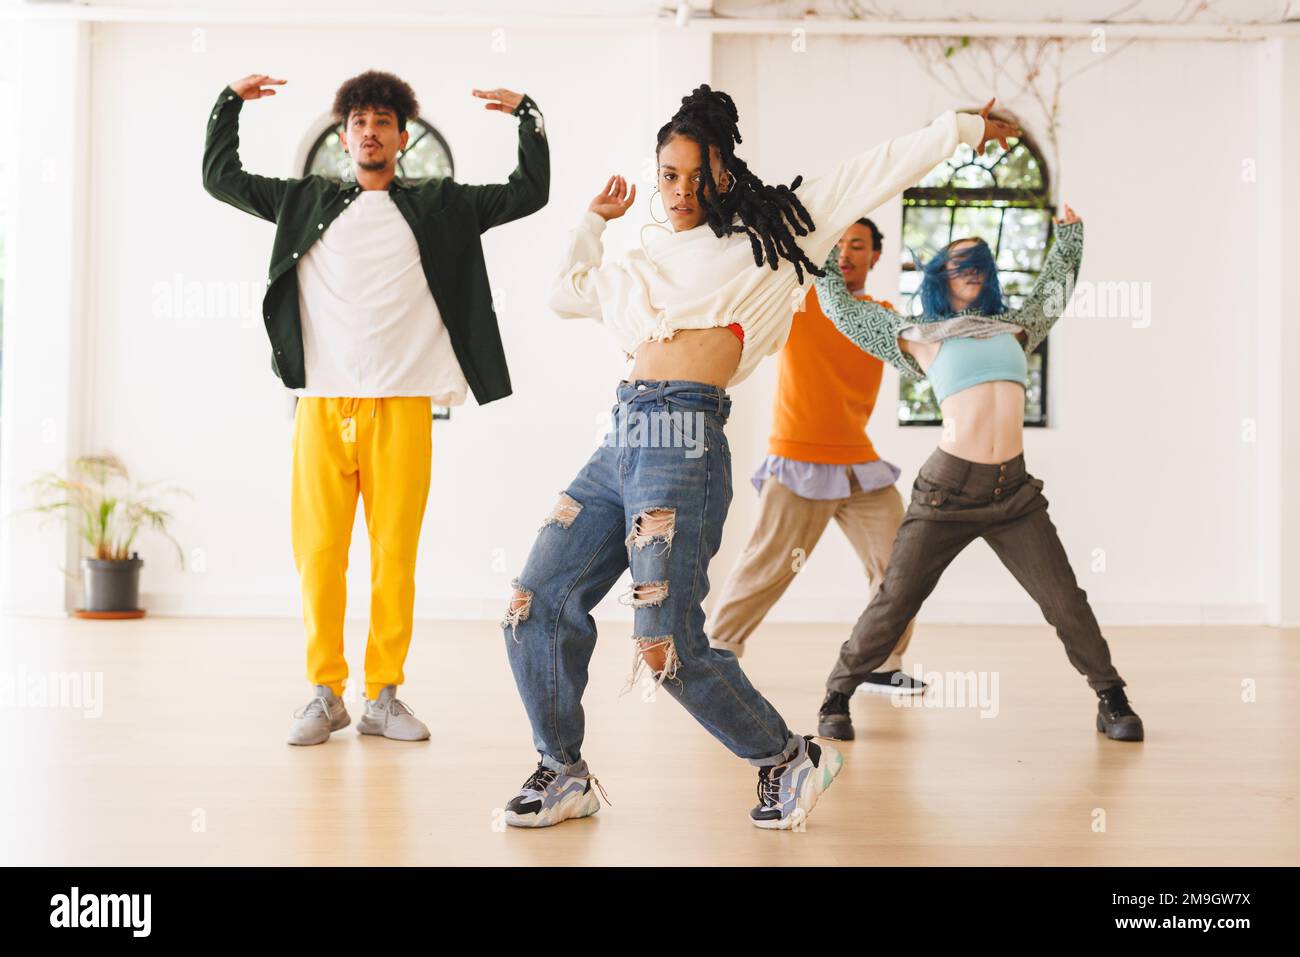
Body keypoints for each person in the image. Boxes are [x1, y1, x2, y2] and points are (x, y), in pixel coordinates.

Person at [500, 86, 1017, 829]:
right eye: (667, 175)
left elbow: (873, 169)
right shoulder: (641, 262)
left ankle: (786, 757)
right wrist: (592, 221)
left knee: (665, 643)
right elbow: (562, 291)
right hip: (620, 438)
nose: (680, 192)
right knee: (532, 602)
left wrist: (961, 126)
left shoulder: (775, 231)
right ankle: (562, 770)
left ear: (724, 172)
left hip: (684, 437)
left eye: (695, 174)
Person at [202, 71, 549, 744]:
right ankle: (324, 693)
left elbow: (528, 193)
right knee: (321, 554)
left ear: (402, 135)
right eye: (358, 120)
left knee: (394, 556)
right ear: (343, 134)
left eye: (382, 121)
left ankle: (384, 694)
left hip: (404, 406)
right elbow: (223, 178)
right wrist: (228, 106)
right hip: (322, 406)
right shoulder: (304, 200)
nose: (370, 130)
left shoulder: (441, 204)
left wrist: (527, 114)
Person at [811, 205, 1145, 743]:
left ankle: (1111, 697)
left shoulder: (1016, 330)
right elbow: (843, 310)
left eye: (979, 264)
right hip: (947, 492)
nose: (971, 272)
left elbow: (1052, 293)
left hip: (1013, 492)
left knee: (1064, 599)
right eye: (958, 264)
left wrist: (1070, 239)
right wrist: (829, 247)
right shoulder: (921, 336)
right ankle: (838, 692)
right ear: (940, 278)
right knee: (897, 597)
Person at [708, 217, 924, 695]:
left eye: (860, 245)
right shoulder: (798, 301)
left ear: (876, 257)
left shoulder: (880, 317)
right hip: (799, 458)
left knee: (903, 563)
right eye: (840, 244)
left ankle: (882, 661)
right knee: (769, 564)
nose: (847, 252)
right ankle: (717, 653)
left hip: (859, 464)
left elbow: (917, 352)